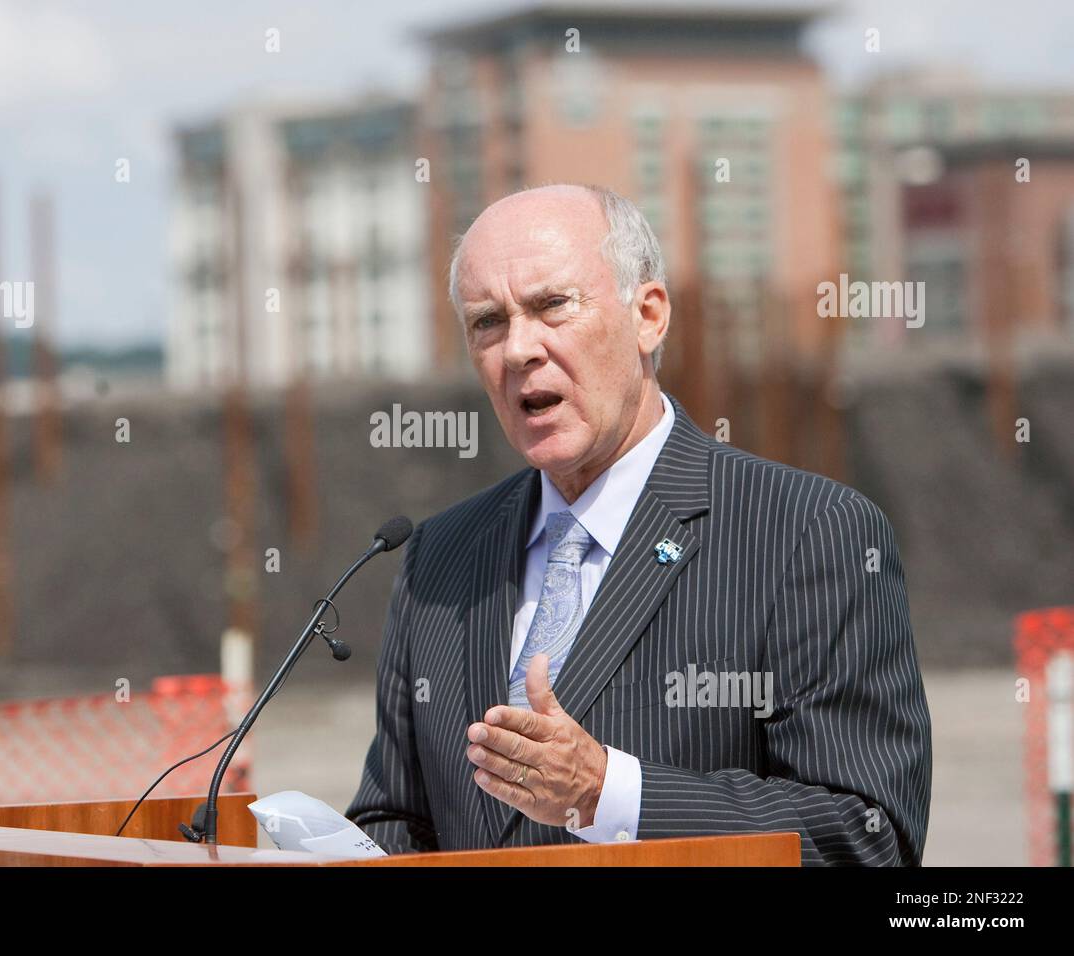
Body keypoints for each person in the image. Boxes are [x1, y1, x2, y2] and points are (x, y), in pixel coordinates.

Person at [346, 184, 932, 865]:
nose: (517, 350)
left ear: (648, 315)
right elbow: (396, 816)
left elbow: (867, 836)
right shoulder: (438, 558)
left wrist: (609, 795)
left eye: (551, 306)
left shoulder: (811, 532)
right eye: (488, 322)